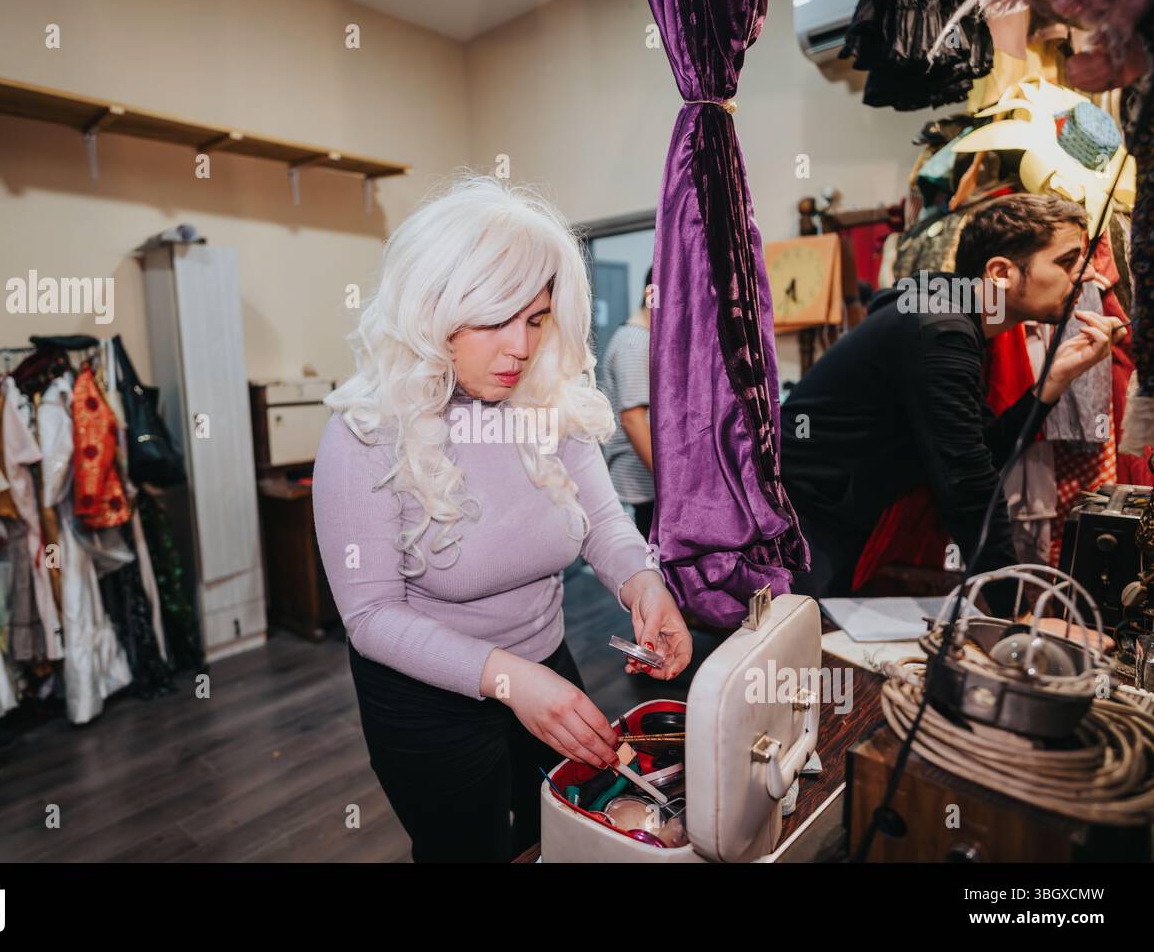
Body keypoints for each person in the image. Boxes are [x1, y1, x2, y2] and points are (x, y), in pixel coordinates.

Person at [312, 174, 692, 862]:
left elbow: (605, 525)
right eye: (494, 320)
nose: (520, 346)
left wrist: (644, 584)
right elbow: (371, 617)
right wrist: (510, 680)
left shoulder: (549, 402)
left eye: (537, 319)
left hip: (547, 661)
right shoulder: (363, 434)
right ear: (432, 309)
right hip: (426, 697)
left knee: (566, 838)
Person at [779, 194, 1128, 617]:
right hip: (798, 527)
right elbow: (969, 484)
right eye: (1068, 260)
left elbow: (984, 451)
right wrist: (1013, 617)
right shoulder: (939, 328)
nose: (1088, 274)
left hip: (825, 520)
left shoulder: (946, 317)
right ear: (1001, 272)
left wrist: (1053, 382)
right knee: (793, 651)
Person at [600, 267, 656, 537]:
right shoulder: (634, 343)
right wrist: (672, 485)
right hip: (645, 484)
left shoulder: (644, 340)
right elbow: (633, 419)